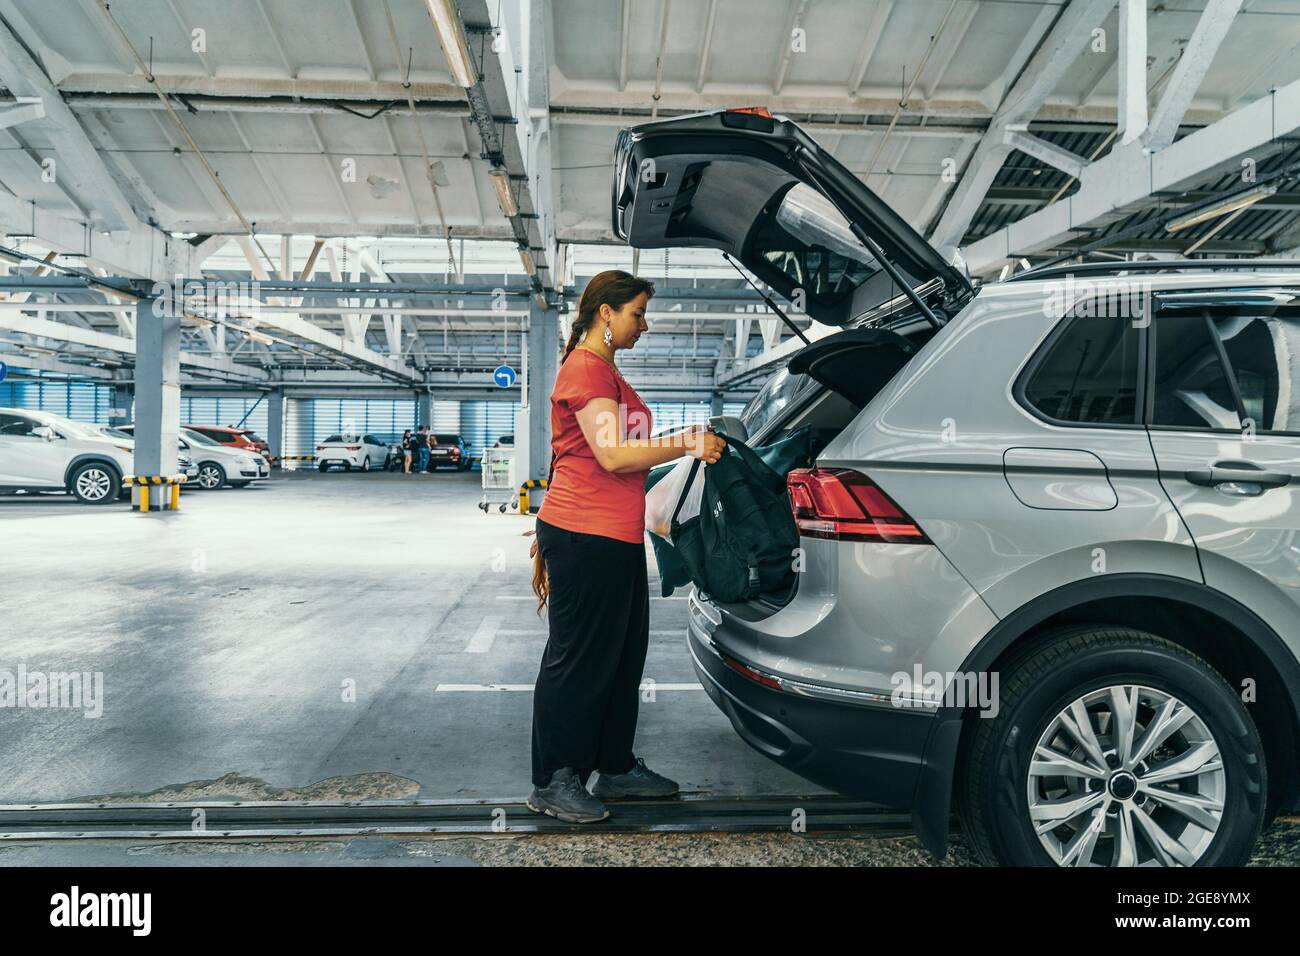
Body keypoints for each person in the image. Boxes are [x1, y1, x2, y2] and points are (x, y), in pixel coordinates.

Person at [526, 269, 726, 824]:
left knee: (620, 658)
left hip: (611, 534)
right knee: (578, 661)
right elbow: (613, 455)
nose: (644, 323)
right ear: (606, 313)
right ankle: (554, 779)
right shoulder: (587, 369)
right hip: (583, 532)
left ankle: (613, 766)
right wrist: (686, 441)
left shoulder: (606, 370)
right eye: (637, 312)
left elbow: (619, 453)